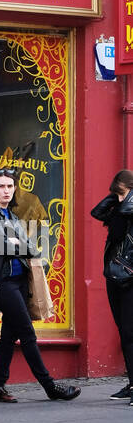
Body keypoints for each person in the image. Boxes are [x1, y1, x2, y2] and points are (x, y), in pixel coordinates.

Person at [0, 168, 80, 404]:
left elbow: (31, 246)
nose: (6, 191)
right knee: (28, 334)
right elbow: (1, 246)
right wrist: (16, 242)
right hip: (3, 283)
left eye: (10, 187)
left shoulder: (11, 217)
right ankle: (49, 386)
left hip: (21, 281)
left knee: (8, 337)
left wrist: (16, 242)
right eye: (1, 186)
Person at [91, 169, 133, 401]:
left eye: (122, 193)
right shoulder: (118, 209)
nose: (119, 199)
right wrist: (114, 194)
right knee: (124, 332)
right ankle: (132, 383)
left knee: (129, 332)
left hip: (129, 277)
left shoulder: (130, 210)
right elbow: (96, 212)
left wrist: (127, 196)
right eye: (117, 194)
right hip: (115, 275)